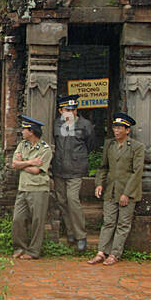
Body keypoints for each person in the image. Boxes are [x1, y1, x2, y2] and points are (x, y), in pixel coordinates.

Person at [89, 112, 146, 266]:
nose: (117, 131)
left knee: (123, 224)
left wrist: (127, 193)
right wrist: (99, 183)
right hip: (110, 190)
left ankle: (115, 254)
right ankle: (101, 252)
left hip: (127, 191)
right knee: (108, 222)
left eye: (120, 128)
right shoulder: (110, 145)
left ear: (127, 130)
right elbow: (103, 167)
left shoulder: (137, 147)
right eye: (115, 127)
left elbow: (137, 172)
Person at [52, 96, 99, 251]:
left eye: (73, 110)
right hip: (59, 169)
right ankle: (70, 231)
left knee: (73, 200)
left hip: (76, 170)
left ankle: (81, 236)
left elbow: (91, 145)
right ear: (60, 111)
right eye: (67, 110)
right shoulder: (57, 124)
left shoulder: (84, 125)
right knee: (62, 201)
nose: (71, 113)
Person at [11, 115, 53, 260]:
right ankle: (20, 247)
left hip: (38, 189)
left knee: (37, 221)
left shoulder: (45, 149)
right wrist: (31, 162)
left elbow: (36, 171)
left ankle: (34, 251)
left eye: (25, 129)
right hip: (23, 188)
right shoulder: (22, 145)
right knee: (17, 219)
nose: (22, 131)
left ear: (32, 131)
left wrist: (22, 163)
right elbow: (14, 164)